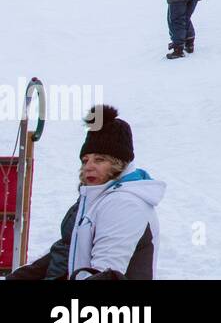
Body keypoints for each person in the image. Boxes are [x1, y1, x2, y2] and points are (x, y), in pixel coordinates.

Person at [6, 106, 164, 280]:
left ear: (119, 163)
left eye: (99, 159)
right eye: (85, 160)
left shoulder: (125, 204)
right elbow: (66, 249)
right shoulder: (93, 199)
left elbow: (106, 273)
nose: (89, 166)